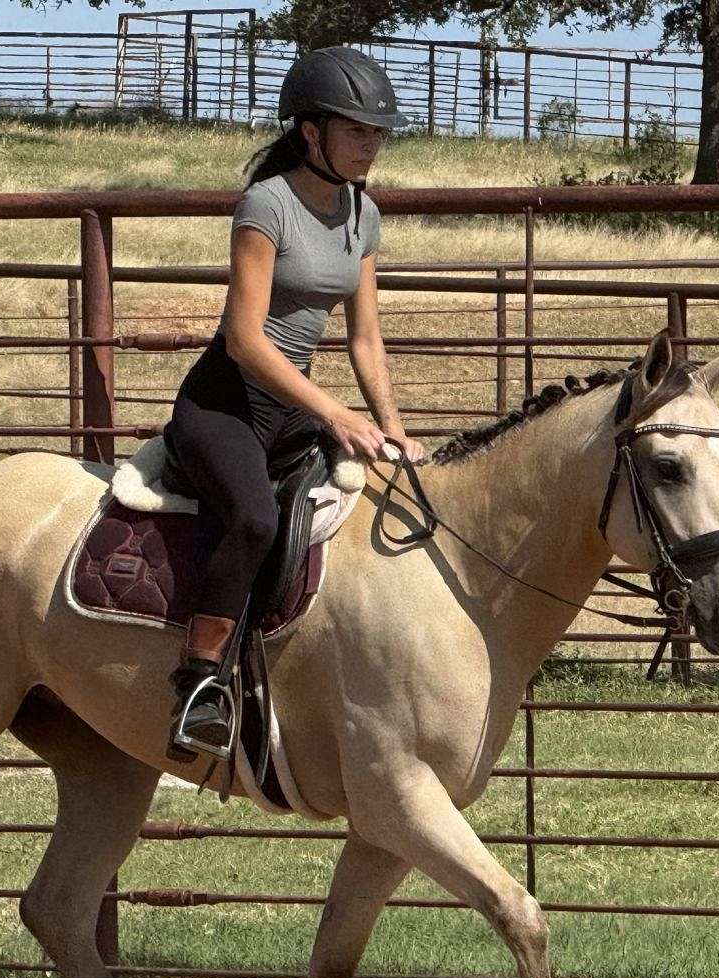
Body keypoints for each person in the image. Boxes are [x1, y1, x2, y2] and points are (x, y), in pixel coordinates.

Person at [166, 45, 427, 761]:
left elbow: (366, 339)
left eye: (378, 133)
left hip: (293, 405)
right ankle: (199, 686)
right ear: (310, 132)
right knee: (252, 516)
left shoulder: (361, 213)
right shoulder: (266, 205)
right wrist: (339, 415)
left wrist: (395, 431)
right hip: (224, 403)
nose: (372, 145)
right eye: (357, 130)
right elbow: (246, 341)